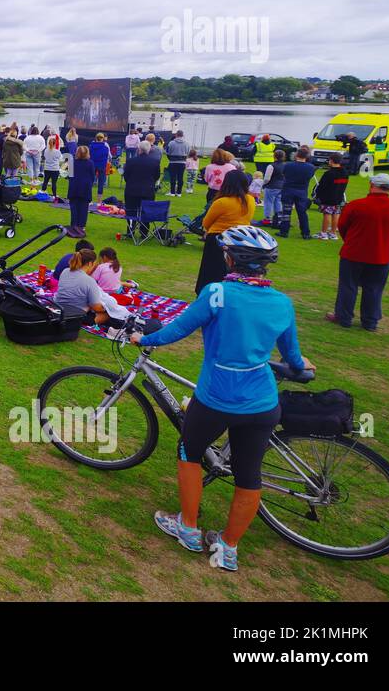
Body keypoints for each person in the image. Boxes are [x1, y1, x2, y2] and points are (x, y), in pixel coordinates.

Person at [133, 227, 312, 572]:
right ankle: (228, 548)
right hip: (261, 403)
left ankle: (187, 528)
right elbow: (292, 356)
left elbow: (177, 330)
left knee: (190, 453)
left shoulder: (217, 293)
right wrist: (301, 364)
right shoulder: (282, 302)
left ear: (230, 259)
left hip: (215, 398)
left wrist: (144, 338)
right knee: (249, 474)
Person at [326, 173, 389, 332]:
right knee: (374, 288)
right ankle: (370, 321)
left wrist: (351, 239)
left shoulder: (356, 205)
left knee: (348, 286)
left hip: (354, 252)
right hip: (381, 254)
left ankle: (344, 317)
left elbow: (343, 226)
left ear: (371, 185)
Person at [196, 169, 255, 293]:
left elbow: (206, 222)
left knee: (211, 272)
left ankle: (208, 293)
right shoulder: (250, 200)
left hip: (218, 239)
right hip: (240, 239)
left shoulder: (222, 202)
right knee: (233, 271)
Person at [53, 248, 116, 326]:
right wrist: (105, 307)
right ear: (90, 263)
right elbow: (97, 307)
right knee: (108, 313)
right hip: (74, 314)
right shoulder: (89, 281)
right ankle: (83, 324)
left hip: (58, 307)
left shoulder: (65, 271)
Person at [277, 147, 316, 239]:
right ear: (306, 156)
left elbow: (284, 174)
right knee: (302, 213)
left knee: (286, 212)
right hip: (302, 192)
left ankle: (284, 231)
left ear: (296, 155)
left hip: (288, 191)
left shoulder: (288, 165)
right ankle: (305, 233)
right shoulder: (311, 167)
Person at [122, 142, 159, 234]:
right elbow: (156, 176)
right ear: (149, 150)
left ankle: (131, 231)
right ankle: (144, 232)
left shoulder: (131, 161)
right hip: (148, 190)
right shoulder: (155, 162)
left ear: (139, 149)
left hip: (132, 190)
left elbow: (126, 176)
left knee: (131, 211)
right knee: (146, 212)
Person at [312, 153, 349, 240]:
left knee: (327, 214)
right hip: (339, 196)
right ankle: (333, 233)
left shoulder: (328, 174)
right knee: (336, 213)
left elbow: (321, 186)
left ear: (331, 160)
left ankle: (323, 233)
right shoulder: (345, 173)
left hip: (328, 197)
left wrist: (318, 195)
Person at [67, 145, 94, 238]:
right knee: (83, 207)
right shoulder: (90, 163)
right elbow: (92, 176)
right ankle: (81, 225)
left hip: (74, 186)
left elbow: (69, 176)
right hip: (85, 187)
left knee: (74, 207)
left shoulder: (72, 163)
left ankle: (74, 224)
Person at [260, 149, 285, 226]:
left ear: (274, 156)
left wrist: (263, 184)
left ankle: (267, 218)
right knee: (278, 202)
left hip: (271, 186)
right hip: (281, 186)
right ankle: (278, 218)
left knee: (268, 202)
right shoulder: (286, 165)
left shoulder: (271, 166)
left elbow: (267, 178)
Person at [164, 132, 189, 197]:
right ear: (183, 135)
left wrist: (170, 159)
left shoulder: (171, 143)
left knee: (173, 177)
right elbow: (188, 153)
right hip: (182, 162)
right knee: (180, 177)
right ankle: (179, 193)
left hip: (173, 162)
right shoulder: (186, 143)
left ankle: (172, 192)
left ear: (176, 135)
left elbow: (168, 152)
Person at [88, 133, 110, 198]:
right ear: (102, 139)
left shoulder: (91, 146)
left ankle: (89, 198)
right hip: (101, 165)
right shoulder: (105, 148)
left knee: (90, 182)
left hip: (93, 164)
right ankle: (99, 200)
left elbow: (89, 156)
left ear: (96, 138)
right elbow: (106, 157)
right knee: (101, 183)